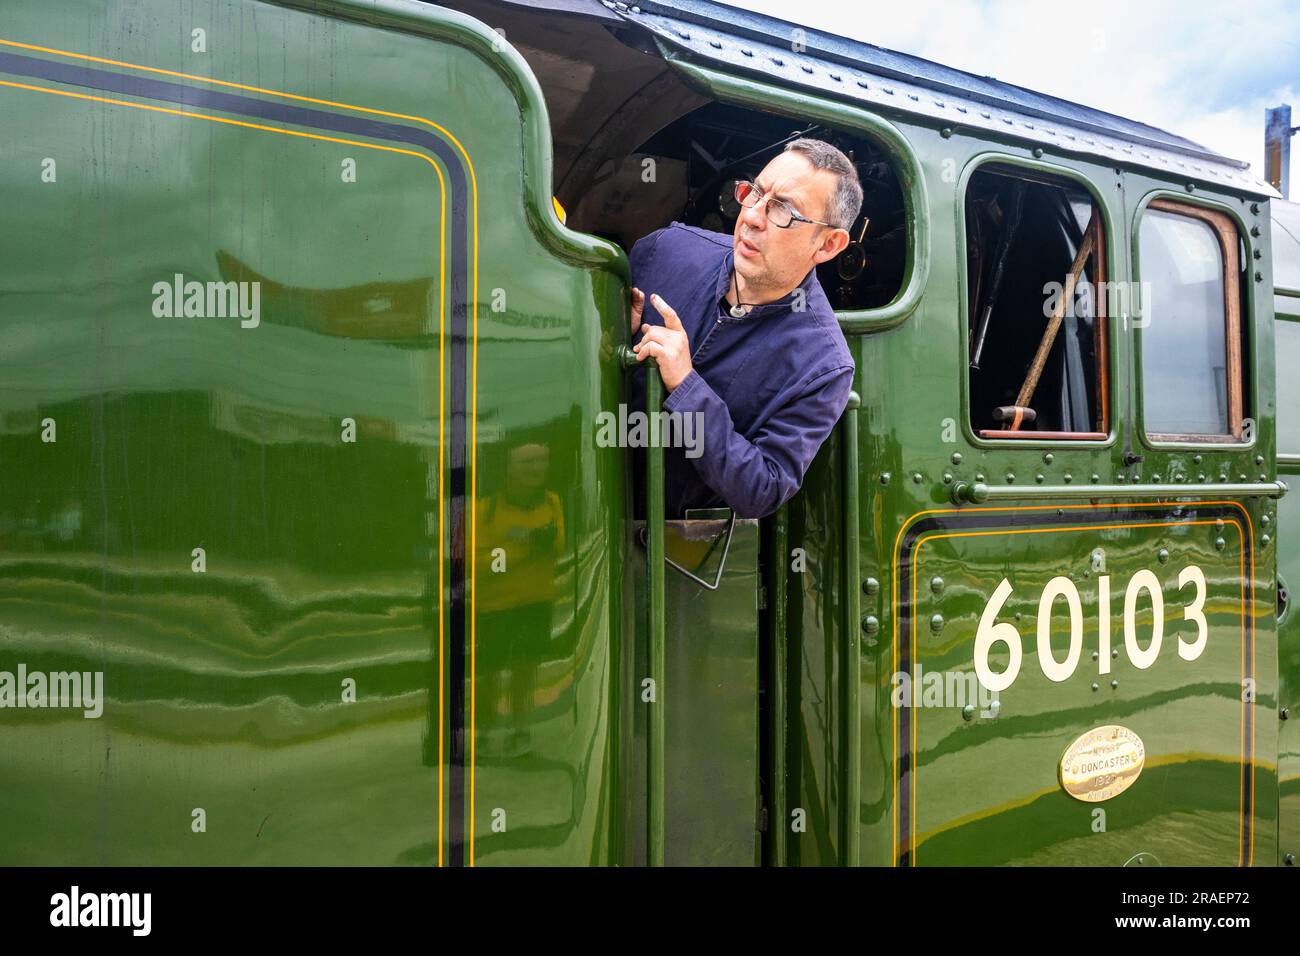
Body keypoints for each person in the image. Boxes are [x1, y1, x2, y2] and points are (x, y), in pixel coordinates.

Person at [628, 137, 860, 519]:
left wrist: (687, 387)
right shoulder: (665, 249)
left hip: (669, 558)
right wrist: (610, 335)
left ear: (828, 245)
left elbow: (763, 488)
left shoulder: (824, 366)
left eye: (782, 210)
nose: (751, 216)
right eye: (753, 193)